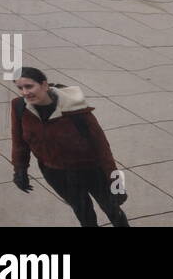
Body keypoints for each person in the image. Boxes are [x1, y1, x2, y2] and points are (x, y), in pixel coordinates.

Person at [10, 67, 129, 227]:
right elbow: (19, 141)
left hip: (92, 170)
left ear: (44, 85)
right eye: (20, 88)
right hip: (56, 173)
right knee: (83, 212)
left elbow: (103, 150)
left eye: (29, 86)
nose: (25, 92)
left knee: (112, 208)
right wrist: (20, 169)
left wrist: (116, 185)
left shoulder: (76, 111)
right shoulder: (19, 107)